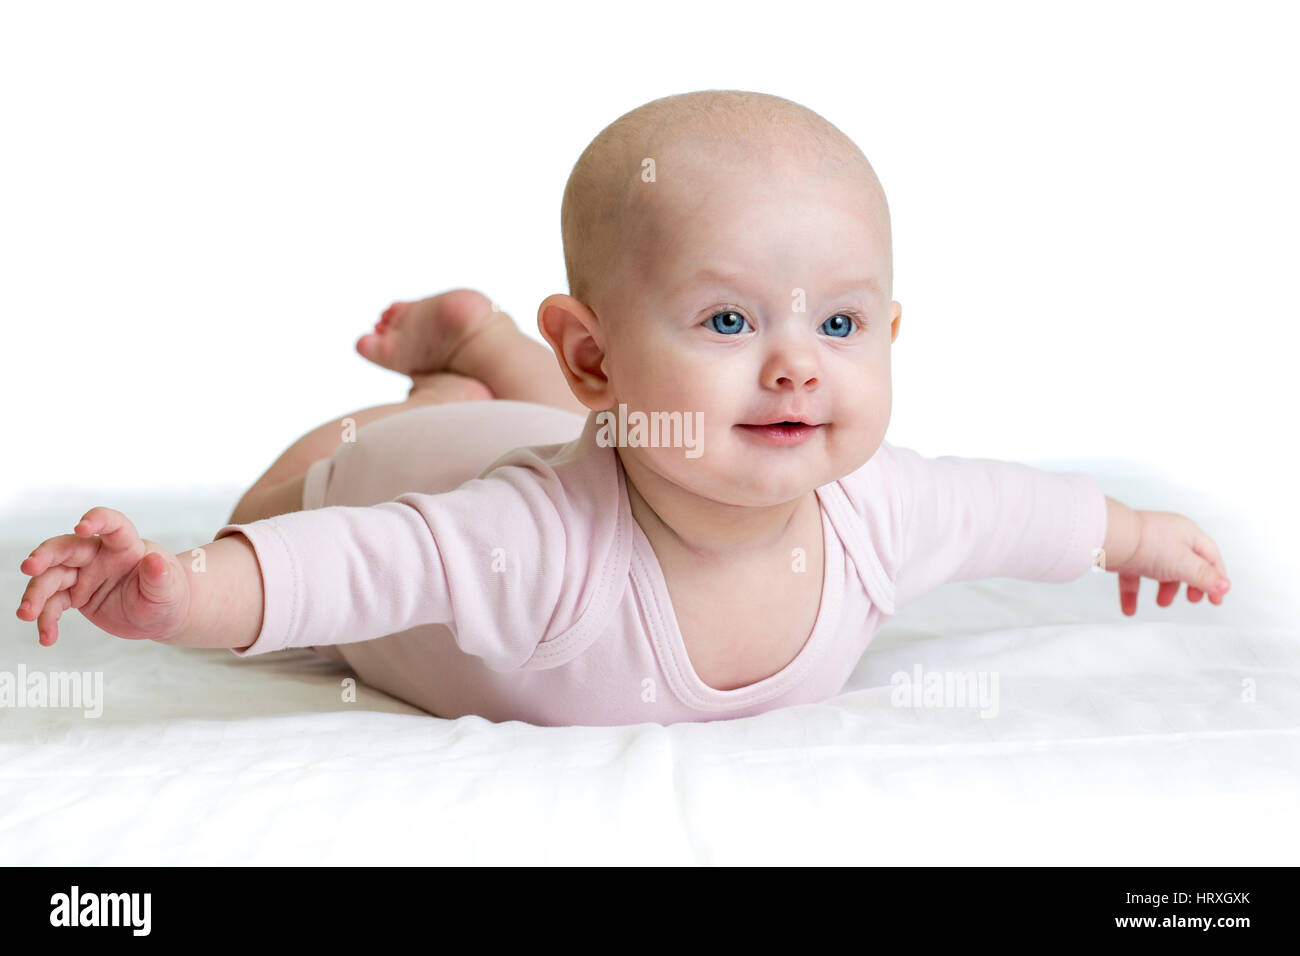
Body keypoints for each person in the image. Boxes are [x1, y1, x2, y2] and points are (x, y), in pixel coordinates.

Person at [14, 89, 1231, 726]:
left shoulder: (878, 505)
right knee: (301, 485)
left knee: (585, 431)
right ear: (592, 352)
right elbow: (336, 564)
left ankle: (471, 346)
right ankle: (446, 373)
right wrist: (181, 589)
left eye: (842, 325)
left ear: (891, 335)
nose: (798, 366)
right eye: (728, 322)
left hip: (553, 433)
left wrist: (1131, 534)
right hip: (394, 465)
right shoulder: (533, 543)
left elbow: (1008, 511)